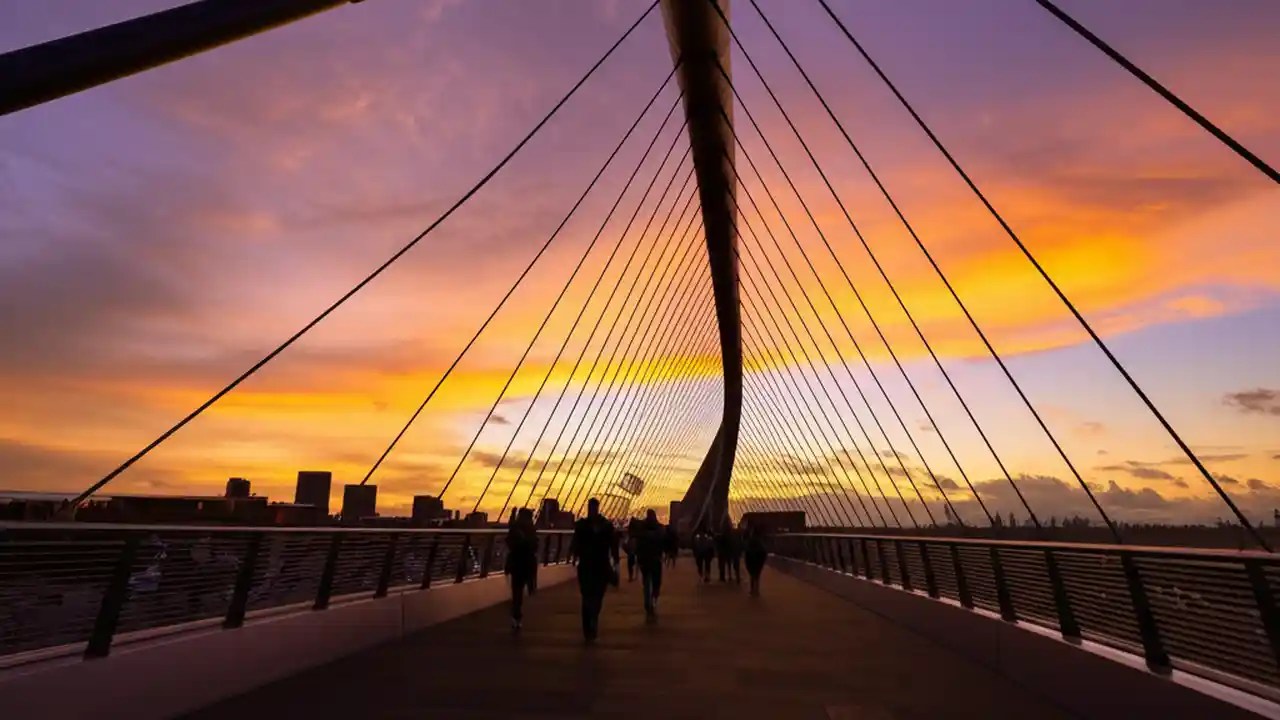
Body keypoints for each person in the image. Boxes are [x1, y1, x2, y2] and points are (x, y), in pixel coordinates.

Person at [569, 497, 618, 642]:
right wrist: (573, 555)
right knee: (587, 596)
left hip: (600, 565)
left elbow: (613, 543)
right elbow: (576, 542)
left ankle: (593, 620)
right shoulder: (584, 526)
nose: (591, 510)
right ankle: (588, 626)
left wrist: (615, 559)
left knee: (597, 596)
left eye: (593, 508)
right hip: (588, 565)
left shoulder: (605, 526)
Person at [504, 507, 539, 630]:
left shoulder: (515, 528)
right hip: (527, 563)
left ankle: (516, 615)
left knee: (516, 591)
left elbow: (509, 542)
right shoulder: (531, 529)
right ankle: (517, 613)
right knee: (522, 588)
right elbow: (535, 546)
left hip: (516, 563)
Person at [635, 509, 665, 617]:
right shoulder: (658, 528)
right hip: (651, 559)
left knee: (652, 582)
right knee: (653, 581)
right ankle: (650, 601)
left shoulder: (643, 528)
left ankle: (650, 600)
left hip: (649, 559)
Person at [743, 521, 769, 597]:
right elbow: (763, 552)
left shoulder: (750, 540)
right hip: (758, 557)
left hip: (752, 557)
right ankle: (756, 590)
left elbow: (747, 549)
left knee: (752, 574)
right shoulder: (759, 541)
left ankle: (752, 590)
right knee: (757, 574)